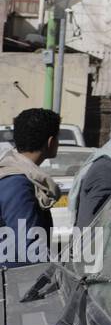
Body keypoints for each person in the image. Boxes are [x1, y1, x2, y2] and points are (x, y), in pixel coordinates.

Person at [0, 108, 62, 268]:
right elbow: (27, 248)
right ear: (50, 141)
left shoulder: (16, 173)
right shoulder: (18, 183)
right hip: (15, 286)